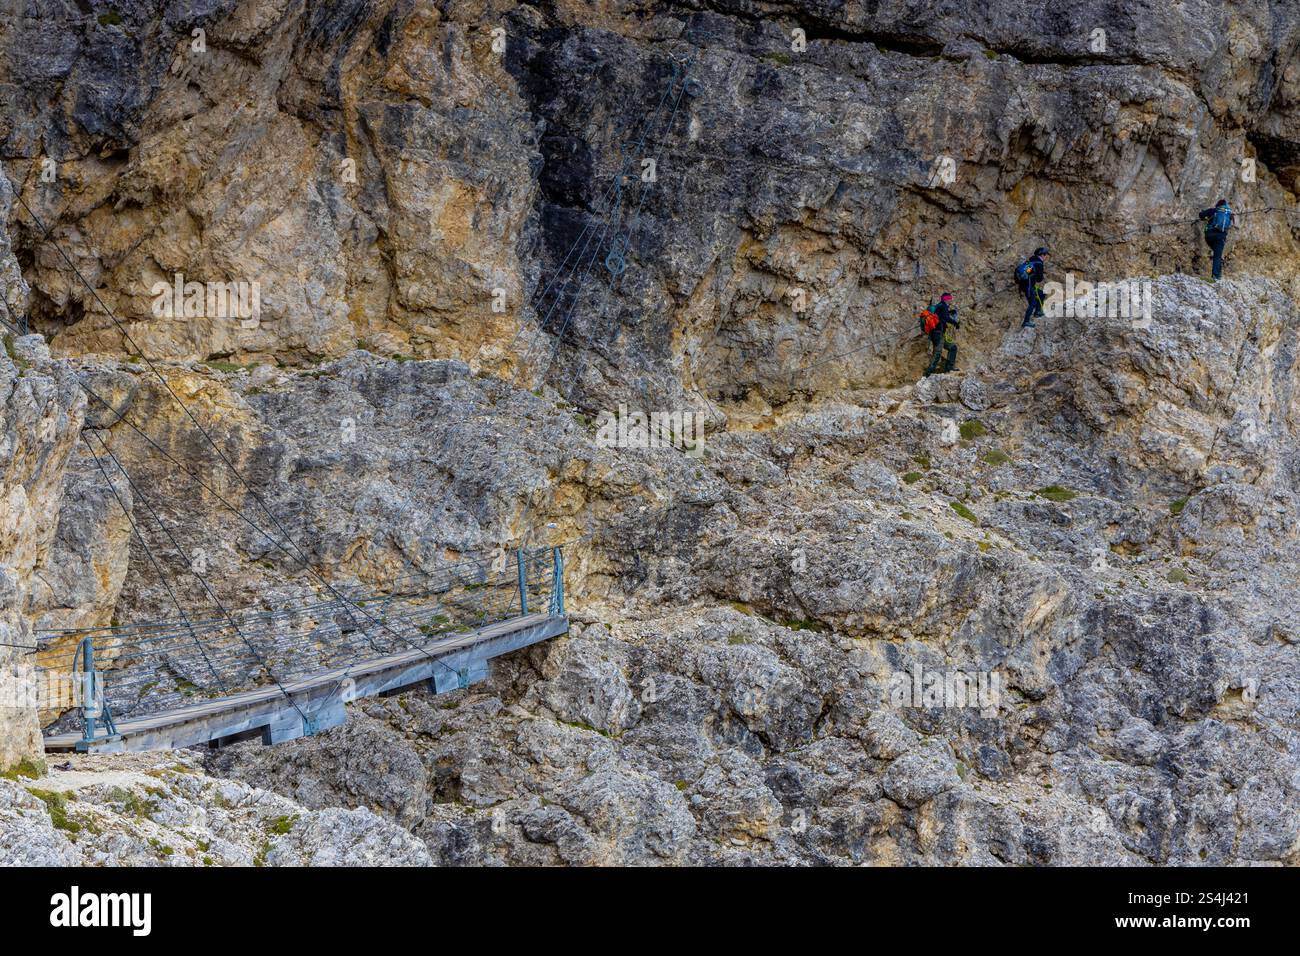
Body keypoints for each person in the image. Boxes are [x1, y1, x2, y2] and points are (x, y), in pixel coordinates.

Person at [924, 292, 959, 376]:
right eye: (950, 298)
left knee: (953, 347)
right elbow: (946, 317)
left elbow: (942, 317)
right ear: (946, 299)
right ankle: (928, 374)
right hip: (938, 334)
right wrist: (955, 322)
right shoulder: (943, 306)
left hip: (938, 333)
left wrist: (949, 313)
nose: (951, 300)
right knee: (937, 353)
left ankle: (949, 368)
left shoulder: (940, 306)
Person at [1197, 199, 1233, 281]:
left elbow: (1201, 215)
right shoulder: (1229, 214)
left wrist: (1205, 215)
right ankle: (1216, 276)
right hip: (1220, 237)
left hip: (1209, 236)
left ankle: (1218, 273)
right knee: (1217, 256)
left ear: (1218, 205)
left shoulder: (1214, 210)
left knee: (1217, 254)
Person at [1016, 247, 1048, 328]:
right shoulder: (1039, 264)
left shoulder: (1031, 260)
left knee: (1042, 294)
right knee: (1032, 303)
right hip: (1028, 286)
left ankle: (1037, 312)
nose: (1046, 256)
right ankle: (1026, 321)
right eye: (1045, 254)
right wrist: (1039, 275)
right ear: (1041, 255)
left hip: (1026, 284)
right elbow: (1039, 279)